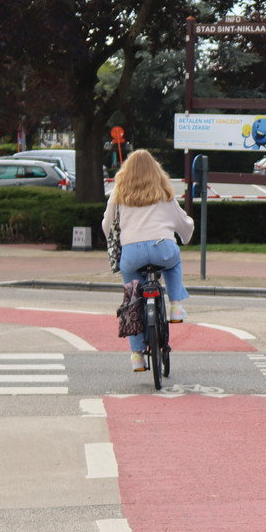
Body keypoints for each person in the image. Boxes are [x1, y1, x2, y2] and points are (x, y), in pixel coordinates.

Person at [102, 149, 194, 372]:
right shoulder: (163, 192)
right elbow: (184, 224)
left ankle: (136, 356)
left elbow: (107, 225)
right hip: (162, 247)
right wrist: (185, 236)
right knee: (174, 262)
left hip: (131, 254)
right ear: (156, 171)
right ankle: (176, 306)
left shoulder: (119, 193)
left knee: (133, 297)